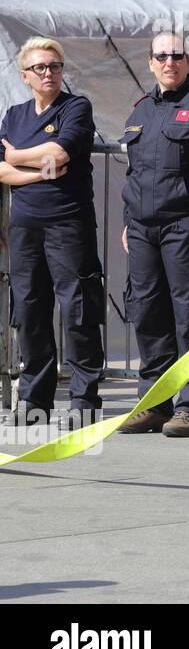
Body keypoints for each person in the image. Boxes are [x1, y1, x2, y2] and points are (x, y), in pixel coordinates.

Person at [117, 32, 189, 437]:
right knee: (148, 313)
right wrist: (129, 222)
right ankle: (153, 403)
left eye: (177, 55)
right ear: (150, 62)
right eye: (162, 56)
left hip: (187, 229)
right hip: (145, 232)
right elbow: (134, 174)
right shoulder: (140, 110)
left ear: (188, 60)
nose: (170, 62)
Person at [0, 37, 104, 428]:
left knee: (77, 308)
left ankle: (83, 400)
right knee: (30, 310)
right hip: (26, 226)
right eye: (41, 68)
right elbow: (1, 171)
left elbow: (60, 155)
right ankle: (34, 399)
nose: (49, 73)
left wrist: (15, 156)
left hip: (68, 222)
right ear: (25, 75)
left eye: (55, 66)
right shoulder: (14, 115)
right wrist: (32, 166)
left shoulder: (76, 107)